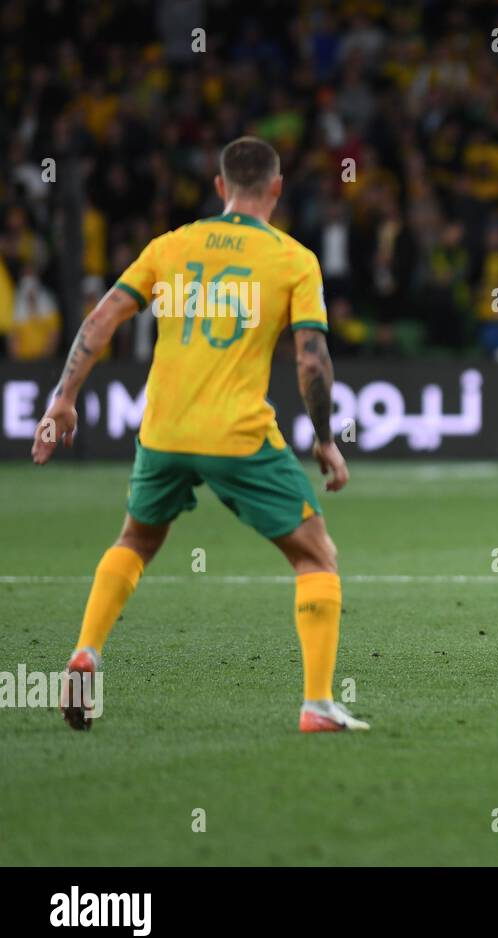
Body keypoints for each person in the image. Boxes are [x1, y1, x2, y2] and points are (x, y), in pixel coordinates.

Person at [32, 136, 369, 732]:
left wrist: (62, 399)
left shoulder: (172, 245)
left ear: (220, 188)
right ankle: (317, 704)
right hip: (236, 434)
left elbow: (102, 317)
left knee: (135, 540)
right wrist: (324, 438)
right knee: (315, 555)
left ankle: (87, 650)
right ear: (276, 189)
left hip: (162, 431)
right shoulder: (293, 259)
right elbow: (312, 361)